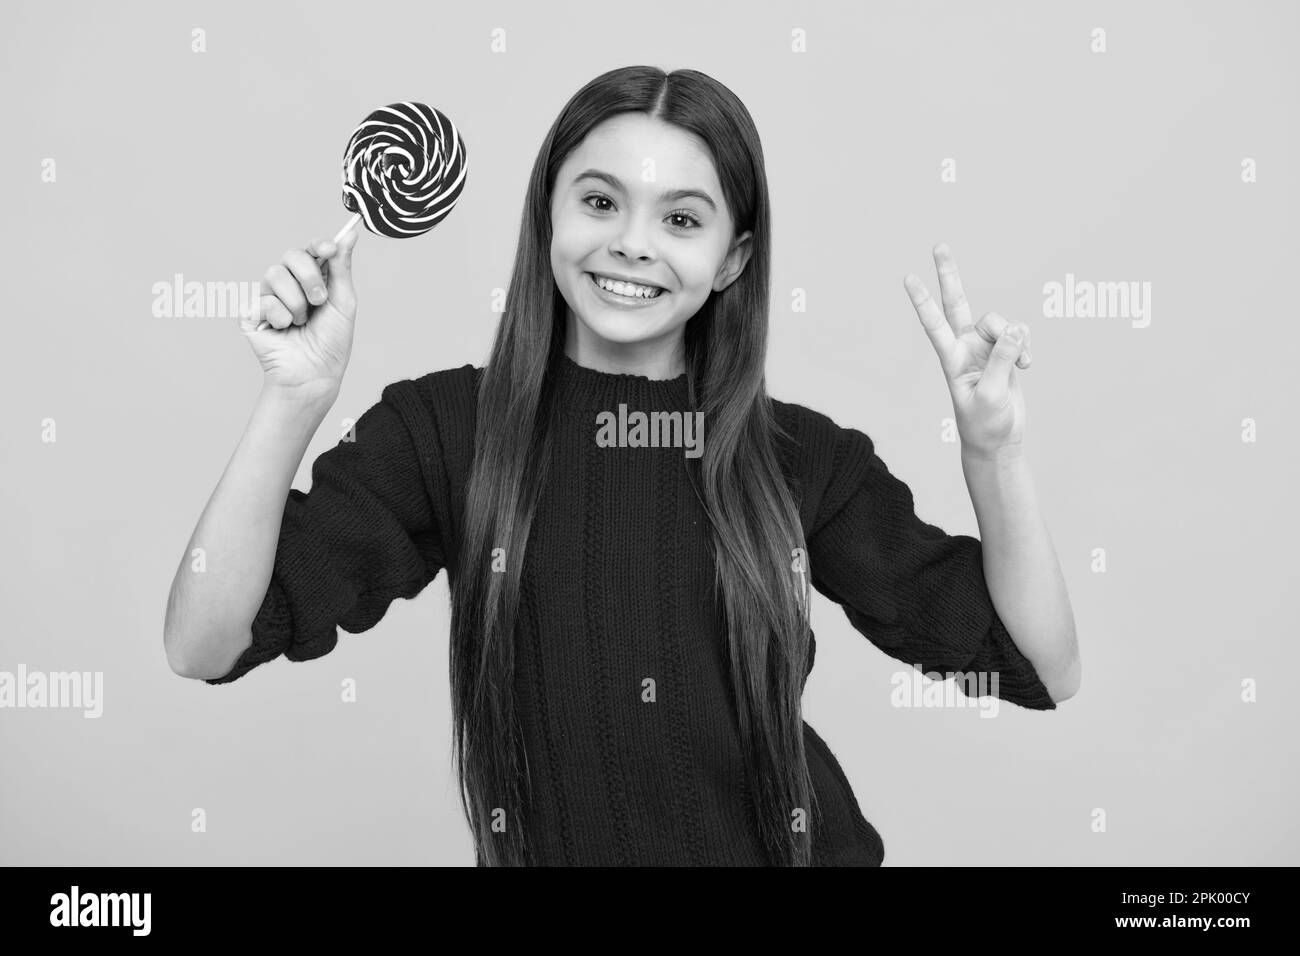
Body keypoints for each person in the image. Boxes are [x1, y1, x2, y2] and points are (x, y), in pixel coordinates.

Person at [163, 65, 1081, 867]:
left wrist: (994, 451)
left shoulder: (801, 460)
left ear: (732, 261)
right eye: (600, 202)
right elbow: (205, 641)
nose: (633, 243)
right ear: (548, 214)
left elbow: (1040, 667)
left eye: (682, 218)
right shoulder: (445, 432)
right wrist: (294, 401)